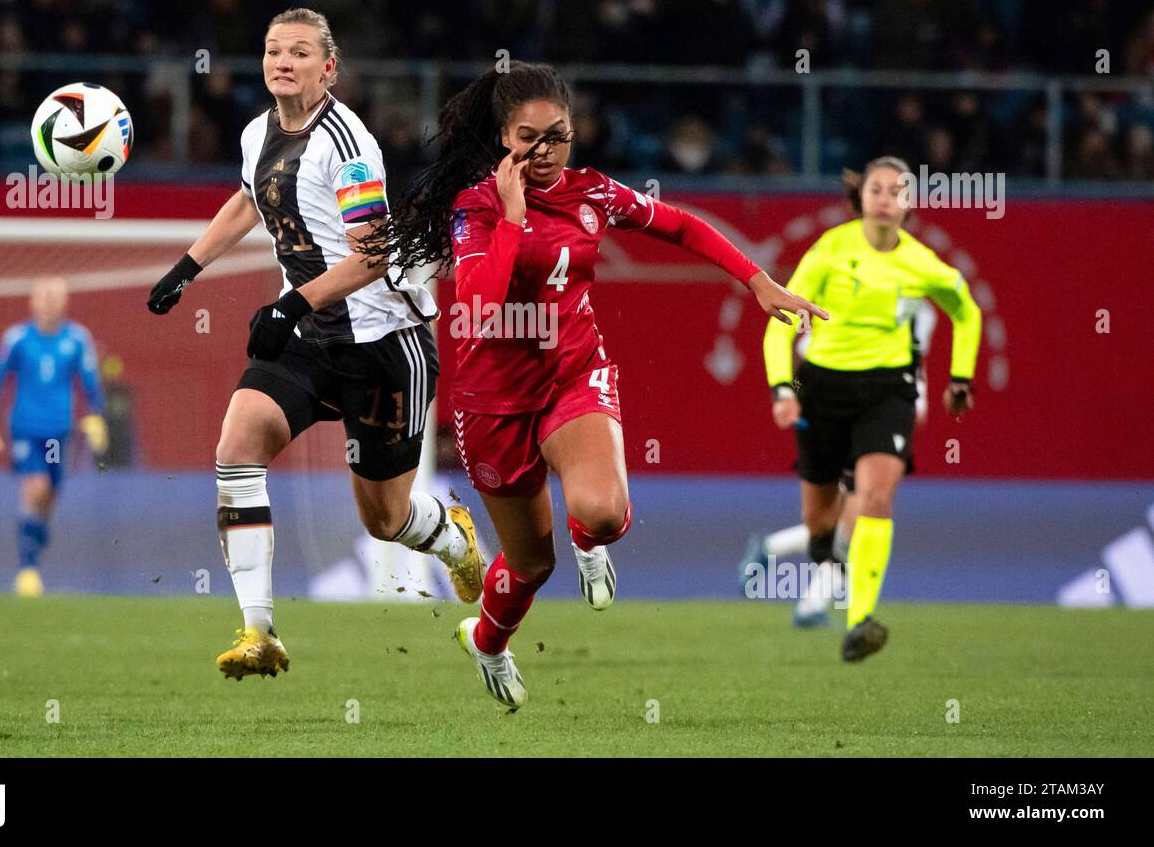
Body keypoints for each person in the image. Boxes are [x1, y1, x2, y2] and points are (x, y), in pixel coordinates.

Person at [367, 62, 826, 708]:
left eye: (558, 135)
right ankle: (490, 644)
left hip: (572, 376)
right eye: (530, 137)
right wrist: (515, 216)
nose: (545, 151)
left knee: (604, 512)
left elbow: (679, 224)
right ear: (504, 136)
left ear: (575, 132)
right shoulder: (473, 206)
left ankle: (592, 542)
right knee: (529, 565)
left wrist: (755, 279)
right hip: (492, 405)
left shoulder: (594, 193)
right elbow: (482, 301)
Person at [146, 8, 486, 682]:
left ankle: (451, 536)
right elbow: (250, 198)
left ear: (327, 68)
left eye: (299, 53)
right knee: (237, 446)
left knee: (384, 520)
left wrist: (292, 300)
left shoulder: (348, 143)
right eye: (273, 50)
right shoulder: (256, 132)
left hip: (384, 342)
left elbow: (370, 256)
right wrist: (188, 266)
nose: (282, 62)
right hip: (307, 337)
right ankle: (259, 630)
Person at [762, 156, 982, 662]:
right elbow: (781, 320)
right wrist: (782, 389)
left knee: (875, 496)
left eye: (896, 190)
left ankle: (860, 618)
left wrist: (961, 379)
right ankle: (824, 556)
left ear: (908, 203)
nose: (885, 198)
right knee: (819, 517)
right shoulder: (830, 251)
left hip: (889, 390)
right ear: (861, 197)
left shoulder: (923, 263)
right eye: (876, 189)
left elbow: (966, 311)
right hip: (821, 388)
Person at [741, 300, 937, 628]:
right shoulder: (846, 288)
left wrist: (917, 394)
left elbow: (913, 355)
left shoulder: (921, 305)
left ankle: (806, 595)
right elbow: (802, 345)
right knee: (848, 513)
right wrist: (795, 394)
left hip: (881, 409)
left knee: (863, 509)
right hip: (833, 407)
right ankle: (802, 590)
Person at [0, 277, 108, 596]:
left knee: (50, 492)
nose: (49, 303)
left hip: (59, 432)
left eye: (55, 297)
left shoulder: (76, 338)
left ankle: (36, 534)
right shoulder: (17, 338)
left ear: (65, 302)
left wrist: (97, 414)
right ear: (32, 302)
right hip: (25, 429)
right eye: (43, 297)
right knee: (36, 486)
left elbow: (89, 379)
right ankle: (27, 569)